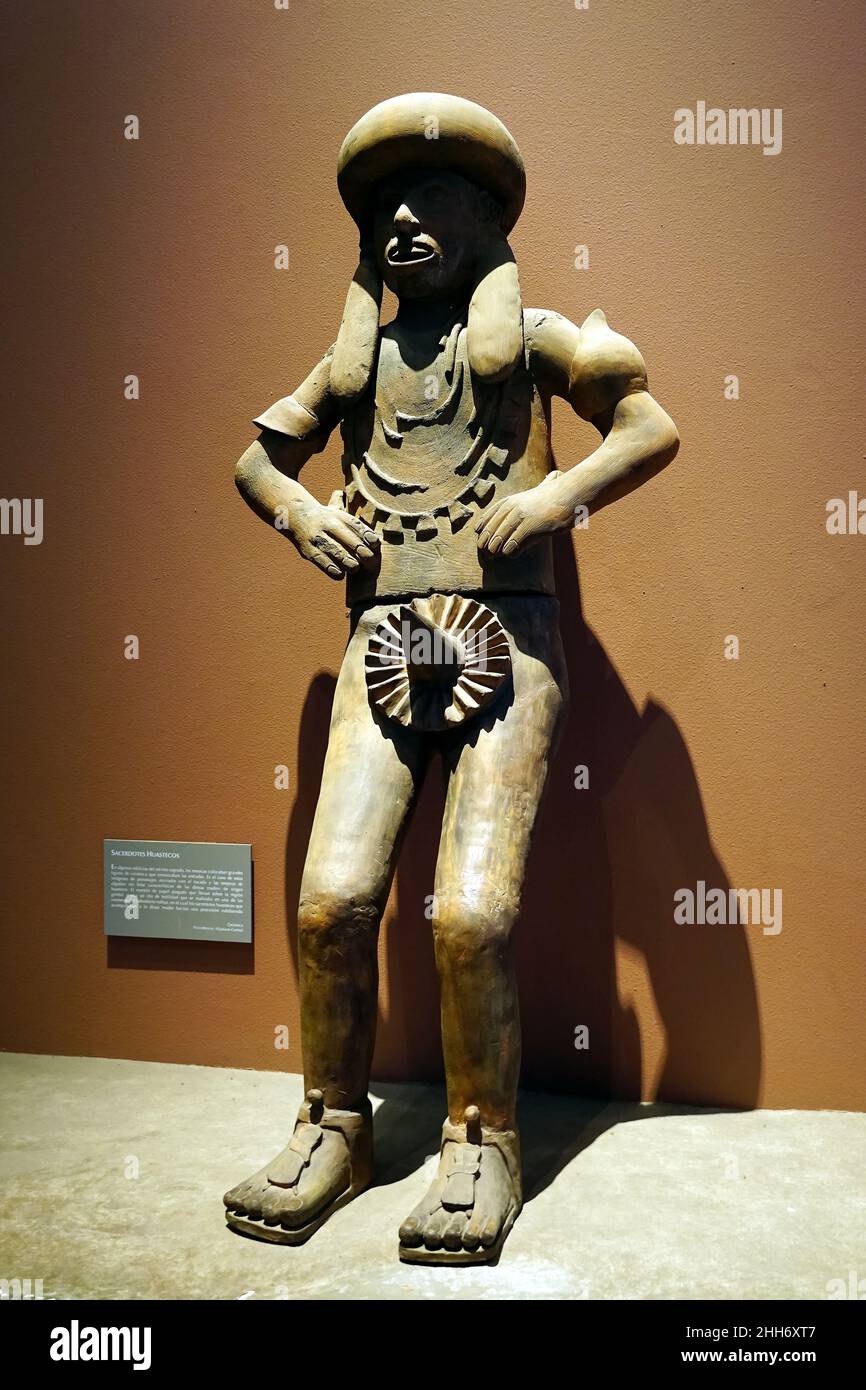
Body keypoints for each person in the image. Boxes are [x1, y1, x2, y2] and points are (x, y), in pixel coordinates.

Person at [224, 93, 678, 1264]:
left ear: (486, 218)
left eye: (433, 200)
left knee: (470, 917)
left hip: (508, 643)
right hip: (382, 641)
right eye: (383, 207)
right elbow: (255, 457)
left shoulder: (525, 341)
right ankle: (335, 1120)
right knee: (331, 903)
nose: (404, 222)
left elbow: (647, 424)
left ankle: (482, 1136)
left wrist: (550, 496)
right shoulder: (363, 361)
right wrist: (297, 512)